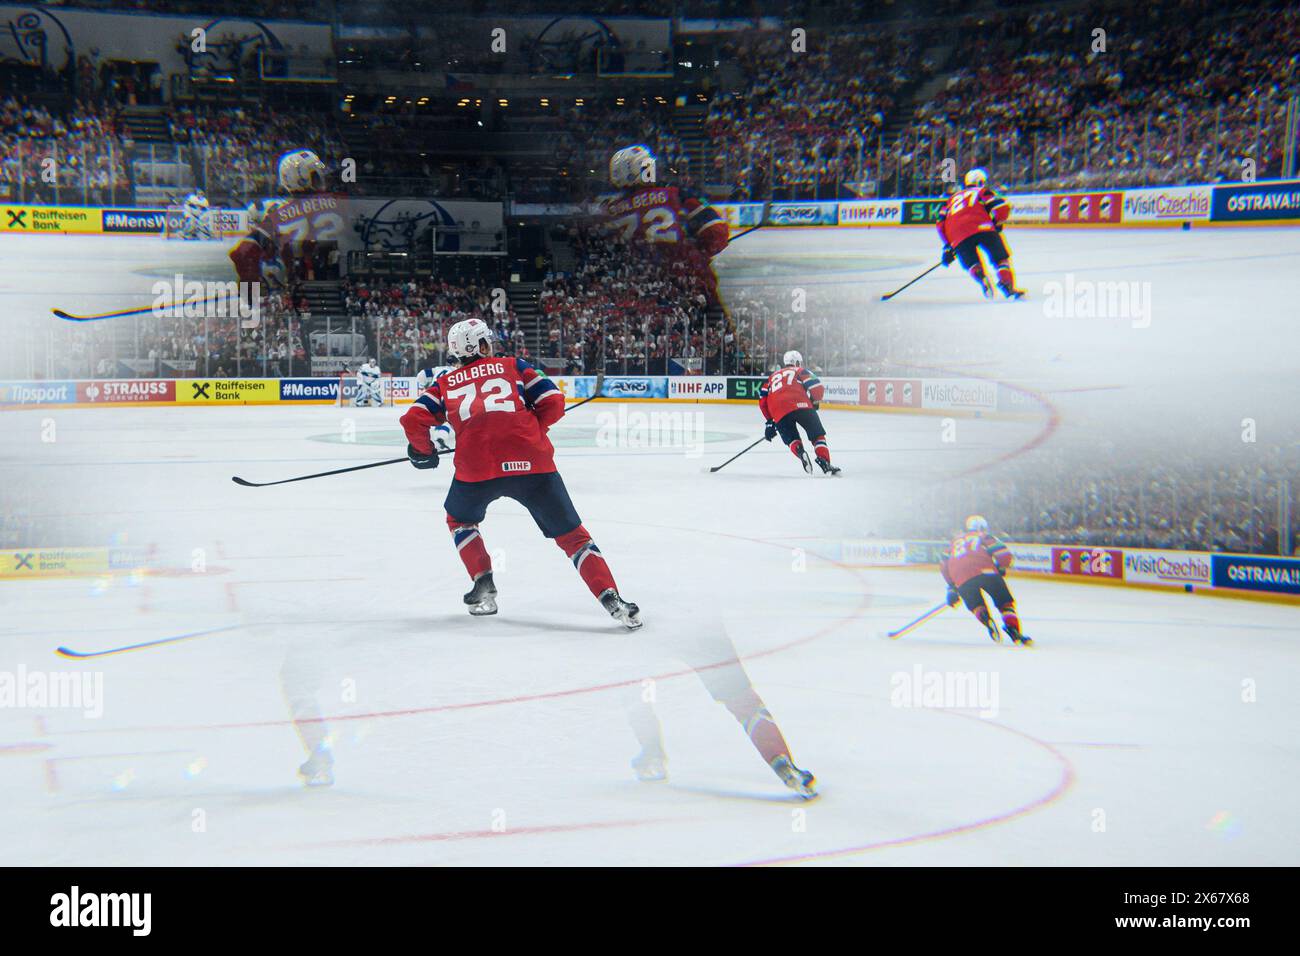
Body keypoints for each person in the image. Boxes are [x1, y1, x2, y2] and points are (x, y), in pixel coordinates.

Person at [399, 317, 641, 628]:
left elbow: (413, 419)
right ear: (482, 345)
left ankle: (483, 582)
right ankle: (612, 599)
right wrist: (529, 431)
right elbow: (553, 401)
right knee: (573, 538)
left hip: (477, 469)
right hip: (533, 464)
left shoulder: (445, 383)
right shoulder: (514, 365)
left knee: (460, 519)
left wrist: (423, 450)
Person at [940, 515, 1031, 645]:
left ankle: (985, 617)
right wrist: (1000, 567)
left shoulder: (954, 543)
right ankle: (1013, 628)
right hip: (987, 572)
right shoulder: (985, 537)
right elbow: (1004, 555)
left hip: (961, 578)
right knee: (1005, 604)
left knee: (976, 605)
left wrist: (952, 587)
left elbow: (943, 565)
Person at [937, 168, 1024, 300]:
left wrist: (948, 246)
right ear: (981, 181)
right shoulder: (982, 191)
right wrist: (997, 223)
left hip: (957, 235)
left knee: (972, 263)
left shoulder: (950, 200)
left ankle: (981, 277)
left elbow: (940, 224)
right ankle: (1007, 285)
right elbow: (1002, 208)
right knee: (1000, 259)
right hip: (983, 227)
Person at [759, 350, 840, 475]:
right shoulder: (800, 371)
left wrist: (769, 422)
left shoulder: (771, 377)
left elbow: (762, 400)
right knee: (817, 435)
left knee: (792, 439)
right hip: (802, 405)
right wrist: (814, 400)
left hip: (779, 411)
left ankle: (800, 452)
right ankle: (824, 461)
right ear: (796, 362)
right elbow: (817, 388)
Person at [415, 366, 454, 452]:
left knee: (442, 416)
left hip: (440, 393)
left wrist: (424, 385)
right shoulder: (455, 369)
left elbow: (422, 374)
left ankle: (440, 439)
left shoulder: (437, 369)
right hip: (452, 394)